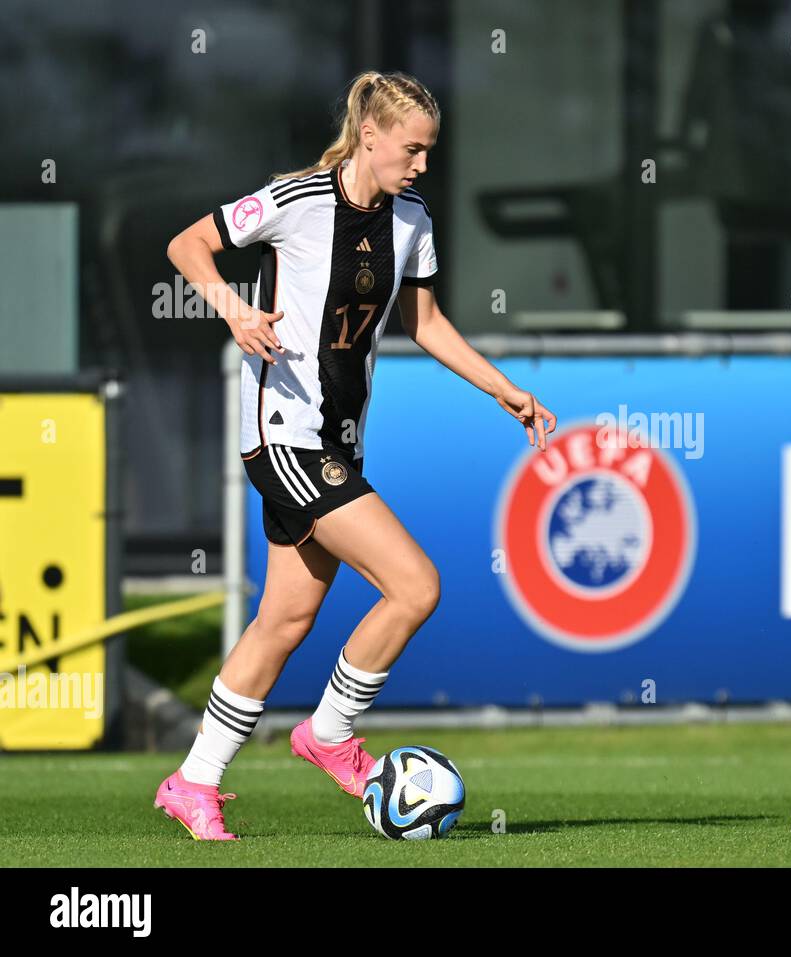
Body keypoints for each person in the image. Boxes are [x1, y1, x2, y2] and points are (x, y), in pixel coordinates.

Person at [157, 71, 556, 840]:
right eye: (412, 149)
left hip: (337, 441)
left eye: (429, 151)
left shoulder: (412, 219)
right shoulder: (296, 201)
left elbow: (428, 324)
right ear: (369, 137)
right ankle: (330, 733)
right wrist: (234, 307)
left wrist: (503, 390)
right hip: (282, 433)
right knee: (414, 585)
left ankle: (192, 779)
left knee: (284, 617)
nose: (422, 164)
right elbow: (189, 244)